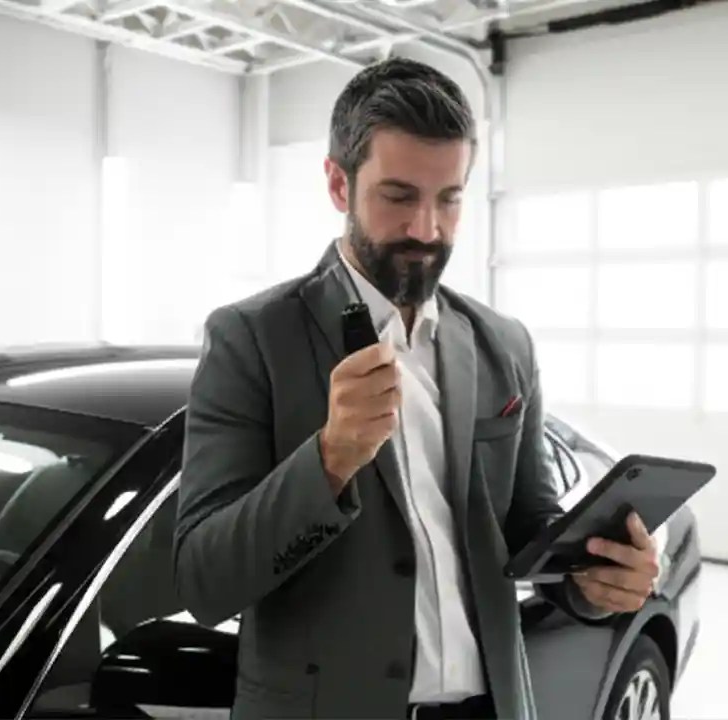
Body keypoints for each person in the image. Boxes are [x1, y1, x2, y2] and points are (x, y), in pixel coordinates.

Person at [174, 57, 661, 720]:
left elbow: (530, 536)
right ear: (338, 184)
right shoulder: (250, 339)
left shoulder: (504, 344)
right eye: (399, 196)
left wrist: (596, 583)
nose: (427, 230)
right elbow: (205, 581)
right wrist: (332, 459)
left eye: (449, 199)